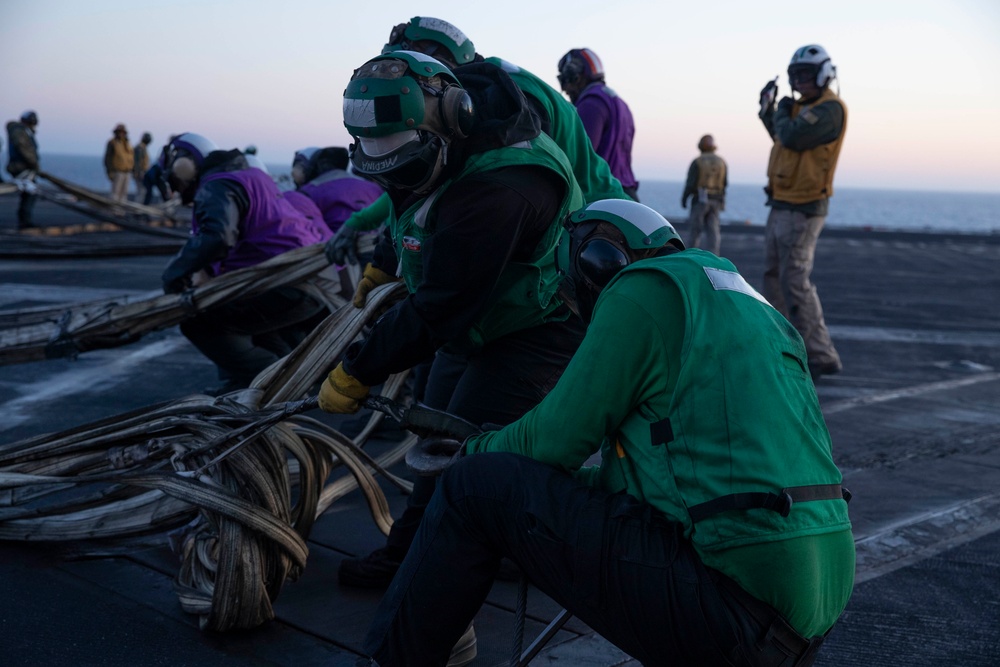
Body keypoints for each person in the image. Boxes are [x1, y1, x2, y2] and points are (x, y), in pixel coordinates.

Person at [357, 199, 855, 666]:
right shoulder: (753, 307)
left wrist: (477, 448)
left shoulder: (642, 289)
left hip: (730, 610)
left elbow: (552, 442)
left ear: (598, 262)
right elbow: (664, 484)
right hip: (802, 623)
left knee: (475, 486)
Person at [319, 51, 587, 601]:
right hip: (483, 315)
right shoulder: (423, 147)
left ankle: (439, 595)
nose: (398, 174)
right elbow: (408, 202)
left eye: (405, 164)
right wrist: (383, 266)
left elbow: (443, 305)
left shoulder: (504, 185)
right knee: (433, 445)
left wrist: (357, 370)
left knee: (469, 460)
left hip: (538, 324)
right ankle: (409, 559)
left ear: (453, 120)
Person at [325, 16, 631, 269]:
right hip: (602, 210)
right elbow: (417, 184)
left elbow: (496, 194)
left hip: (595, 226)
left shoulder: (502, 102)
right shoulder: (492, 85)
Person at [160, 132, 333, 394]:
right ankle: (268, 386)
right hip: (310, 280)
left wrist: (174, 275)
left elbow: (217, 237)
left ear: (186, 163)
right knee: (260, 329)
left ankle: (268, 387)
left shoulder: (218, 184)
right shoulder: (252, 177)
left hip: (286, 282)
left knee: (200, 322)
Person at [759, 44, 847, 380]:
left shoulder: (831, 110)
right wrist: (768, 110)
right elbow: (780, 136)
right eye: (796, 76)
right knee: (773, 274)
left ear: (824, 74)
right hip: (782, 202)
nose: (800, 82)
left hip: (804, 207)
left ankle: (820, 353)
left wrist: (781, 109)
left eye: (806, 75)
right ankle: (785, 344)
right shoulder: (798, 109)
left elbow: (793, 137)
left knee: (794, 279)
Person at [557, 48, 639, 201]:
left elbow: (579, 156)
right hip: (626, 192)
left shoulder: (591, 104)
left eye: (564, 80)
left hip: (603, 195)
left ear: (576, 76)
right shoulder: (619, 102)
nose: (565, 90)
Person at [290, 146, 383, 235]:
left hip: (337, 246)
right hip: (382, 243)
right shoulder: (373, 187)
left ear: (306, 168)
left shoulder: (307, 193)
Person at [681, 134, 728, 255]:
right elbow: (724, 183)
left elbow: (691, 183)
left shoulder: (698, 161)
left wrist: (684, 198)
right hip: (716, 200)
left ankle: (691, 255)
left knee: (695, 230)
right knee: (713, 231)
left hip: (700, 200)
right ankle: (714, 257)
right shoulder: (721, 162)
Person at [5, 110, 40, 230]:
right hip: (22, 168)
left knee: (29, 192)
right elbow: (24, 149)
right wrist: (34, 164)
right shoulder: (20, 132)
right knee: (30, 192)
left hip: (23, 167)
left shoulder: (22, 132)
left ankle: (25, 220)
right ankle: (25, 221)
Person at [104, 123, 134, 201]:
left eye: (122, 132)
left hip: (127, 171)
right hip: (117, 171)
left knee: (124, 193)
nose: (121, 134)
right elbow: (108, 158)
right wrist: (109, 171)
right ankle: (114, 210)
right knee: (115, 192)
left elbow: (131, 157)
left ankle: (121, 210)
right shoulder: (112, 143)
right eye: (119, 132)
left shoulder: (127, 143)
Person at [133, 132, 152, 204]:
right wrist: (139, 172)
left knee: (142, 191)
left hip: (143, 172)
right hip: (140, 173)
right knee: (141, 191)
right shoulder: (140, 148)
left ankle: (138, 207)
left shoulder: (143, 147)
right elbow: (137, 161)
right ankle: (137, 208)